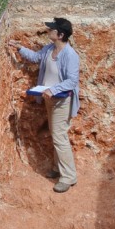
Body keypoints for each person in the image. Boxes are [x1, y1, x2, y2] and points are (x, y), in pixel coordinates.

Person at [9, 17, 80, 193]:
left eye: (52, 30)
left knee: (59, 137)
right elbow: (35, 57)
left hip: (61, 101)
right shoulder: (50, 49)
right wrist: (19, 48)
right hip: (50, 99)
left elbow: (72, 81)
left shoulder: (70, 55)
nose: (48, 32)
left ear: (60, 34)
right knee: (57, 135)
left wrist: (54, 89)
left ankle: (69, 176)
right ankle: (58, 168)